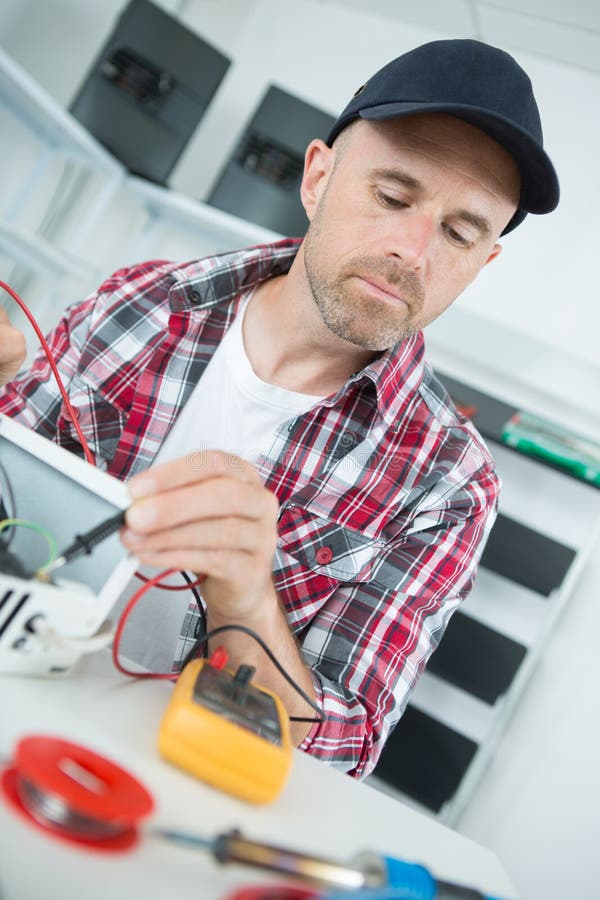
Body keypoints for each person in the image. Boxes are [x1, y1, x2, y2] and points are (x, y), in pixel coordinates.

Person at [0, 39, 558, 778]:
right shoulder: (142, 300)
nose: (415, 250)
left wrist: (245, 597)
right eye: (393, 196)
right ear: (318, 177)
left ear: (482, 262)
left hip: (163, 793)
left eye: (460, 232)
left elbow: (342, 758)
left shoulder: (449, 486)